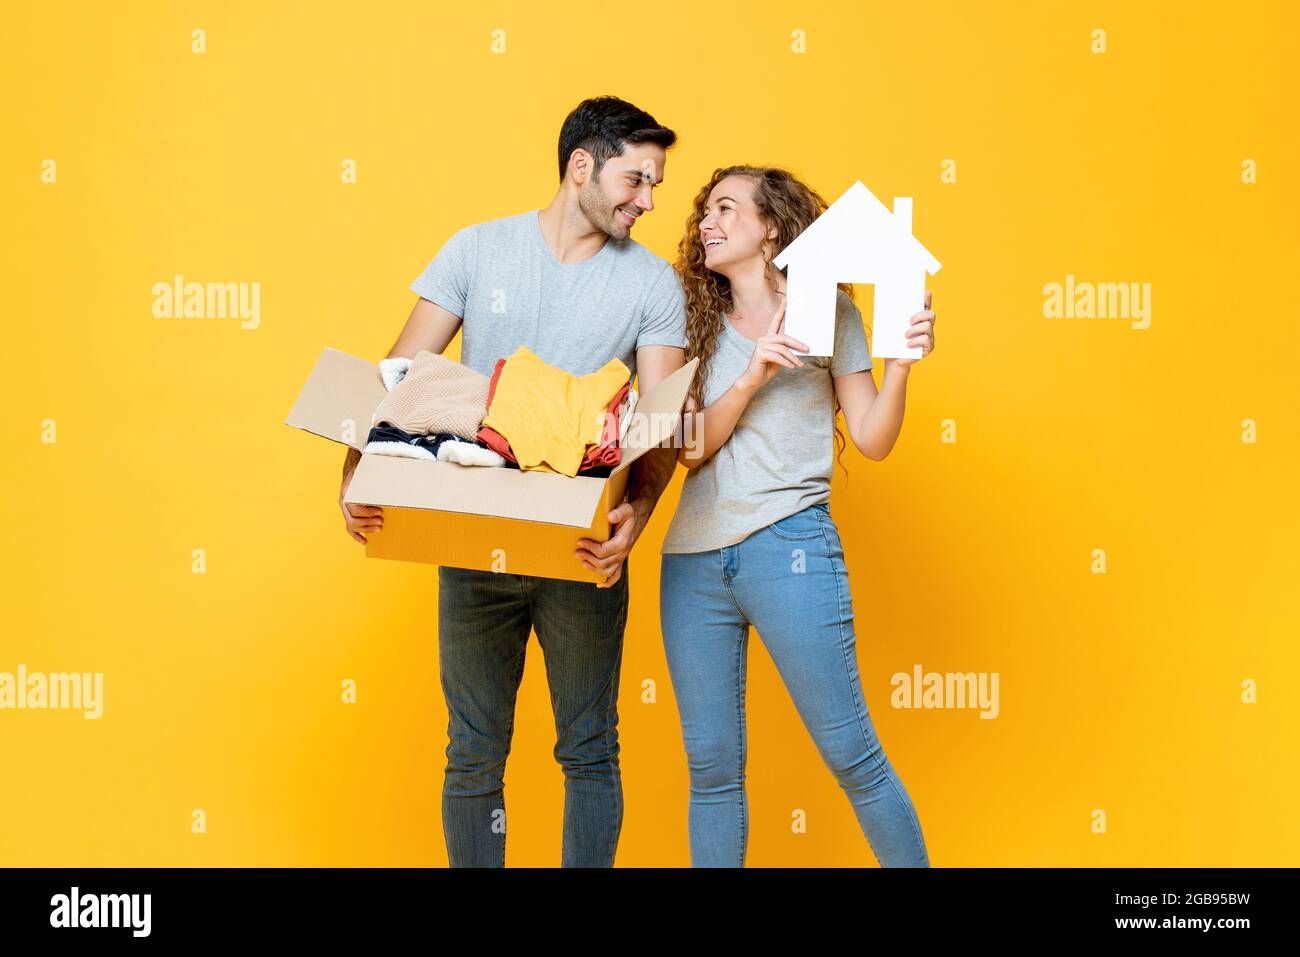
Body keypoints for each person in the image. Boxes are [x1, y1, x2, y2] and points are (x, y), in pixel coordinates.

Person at [339, 96, 688, 867]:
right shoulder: (477, 251)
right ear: (581, 167)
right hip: (475, 541)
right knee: (473, 752)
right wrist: (353, 471)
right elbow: (397, 374)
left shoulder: (653, 284)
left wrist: (637, 512)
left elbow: (659, 424)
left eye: (656, 184)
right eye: (636, 180)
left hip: (580, 550)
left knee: (589, 748)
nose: (648, 200)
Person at [658, 165, 937, 867]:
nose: (707, 223)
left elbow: (871, 438)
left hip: (791, 548)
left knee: (852, 754)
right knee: (712, 773)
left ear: (772, 227)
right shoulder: (686, 321)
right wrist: (753, 372)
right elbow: (690, 452)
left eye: (726, 208)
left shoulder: (831, 313)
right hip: (693, 562)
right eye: (705, 212)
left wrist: (900, 364)